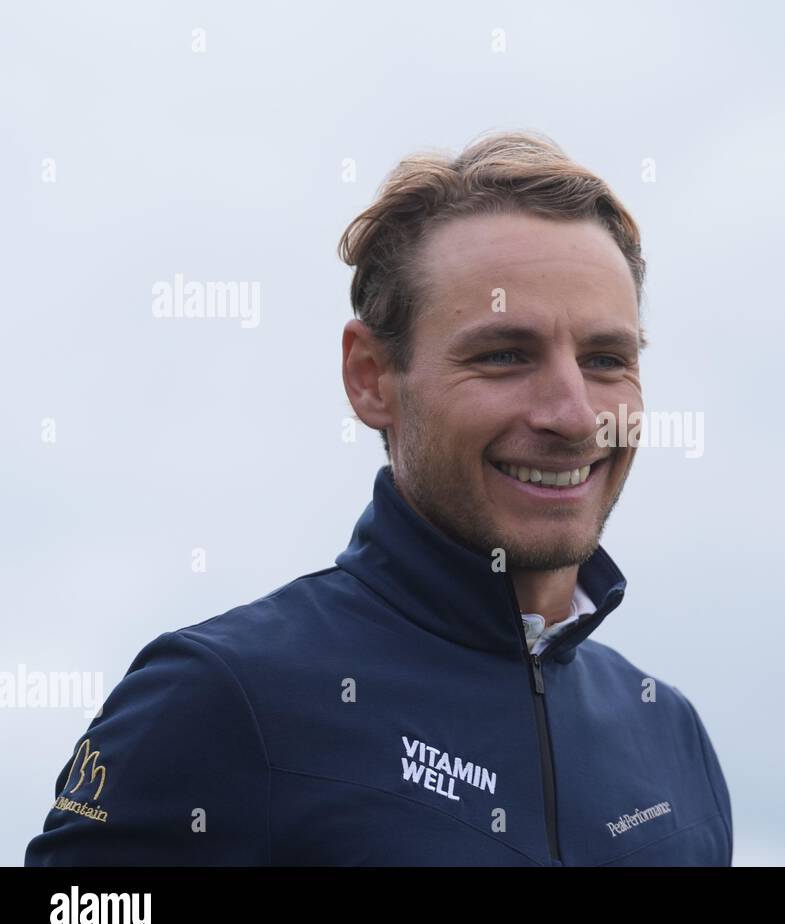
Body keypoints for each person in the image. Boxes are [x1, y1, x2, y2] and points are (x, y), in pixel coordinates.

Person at [26, 130, 732, 866]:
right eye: (503, 356)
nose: (575, 414)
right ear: (370, 378)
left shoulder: (670, 738)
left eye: (606, 360)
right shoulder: (221, 698)